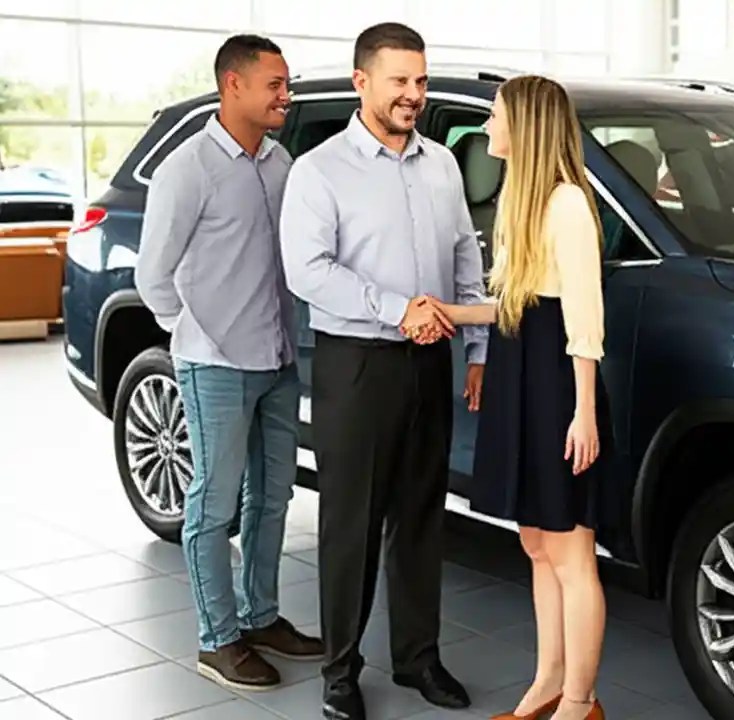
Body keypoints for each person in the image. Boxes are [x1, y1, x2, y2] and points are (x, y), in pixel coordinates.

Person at [277, 21, 487, 720]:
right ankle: (340, 671)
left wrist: (476, 349)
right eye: (400, 81)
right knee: (352, 525)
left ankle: (418, 660)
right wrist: (398, 309)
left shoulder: (442, 164)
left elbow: (464, 255)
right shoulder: (320, 170)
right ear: (361, 81)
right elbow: (308, 273)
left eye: (421, 80)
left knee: (422, 519)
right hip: (358, 366)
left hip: (431, 361)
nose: (414, 95)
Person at [134, 34, 323, 691]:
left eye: (286, 83)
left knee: (273, 497)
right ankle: (218, 640)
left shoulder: (279, 163)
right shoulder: (186, 170)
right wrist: (199, 336)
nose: (285, 96)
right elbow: (153, 276)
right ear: (233, 86)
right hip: (214, 364)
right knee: (213, 507)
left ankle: (261, 617)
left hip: (276, 359)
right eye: (274, 84)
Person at [425, 74, 610, 720]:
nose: (487, 130)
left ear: (525, 127)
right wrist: (450, 311)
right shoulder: (518, 201)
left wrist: (584, 413)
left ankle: (581, 702)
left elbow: (583, 322)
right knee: (535, 541)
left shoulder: (567, 206)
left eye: (497, 117)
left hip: (558, 386)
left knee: (570, 548)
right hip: (518, 373)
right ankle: (549, 680)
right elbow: (513, 306)